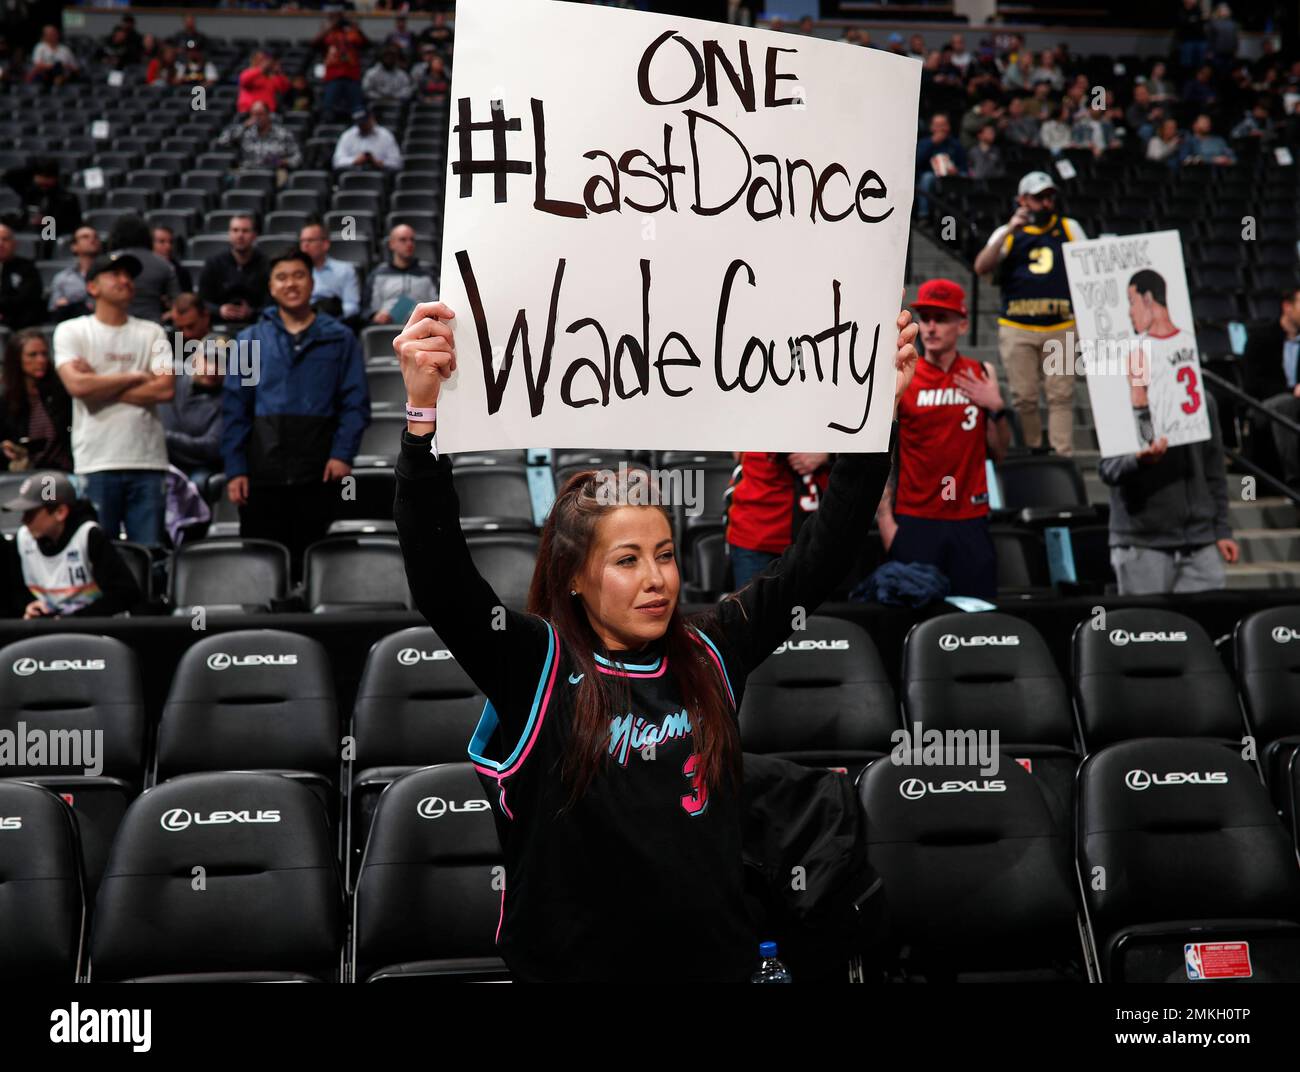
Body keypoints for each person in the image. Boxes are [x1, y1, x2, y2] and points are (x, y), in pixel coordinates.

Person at [390, 297, 917, 981]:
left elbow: (823, 552)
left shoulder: (713, 647)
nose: (656, 580)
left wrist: (877, 416)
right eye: (628, 560)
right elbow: (440, 582)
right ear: (575, 576)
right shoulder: (533, 663)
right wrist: (420, 422)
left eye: (665, 555)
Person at [222, 248, 369, 578]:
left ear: (312, 282)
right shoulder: (248, 341)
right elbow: (235, 410)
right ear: (271, 287)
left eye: (299, 275)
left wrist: (343, 454)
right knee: (262, 566)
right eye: (282, 277)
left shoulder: (340, 338)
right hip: (262, 473)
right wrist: (235, 469)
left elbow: (355, 404)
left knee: (316, 566)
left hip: (320, 472)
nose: (291, 284)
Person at [876, 279, 1009, 600]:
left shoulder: (982, 373)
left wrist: (997, 407)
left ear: (963, 324)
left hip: (969, 519)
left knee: (975, 621)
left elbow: (1000, 453)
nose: (931, 327)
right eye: (927, 318)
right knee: (915, 624)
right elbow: (885, 453)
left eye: (942, 318)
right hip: (916, 520)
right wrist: (885, 520)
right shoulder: (905, 374)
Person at [52, 252, 174, 545]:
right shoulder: (72, 330)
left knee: (150, 555)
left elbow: (165, 390)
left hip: (147, 460)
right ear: (92, 287)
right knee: (98, 555)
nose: (124, 281)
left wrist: (99, 383)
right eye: (114, 274)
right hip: (96, 460)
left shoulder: (153, 332)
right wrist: (134, 376)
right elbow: (78, 386)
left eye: (128, 276)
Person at [973, 171, 1087, 456]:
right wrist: (1010, 229)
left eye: (1049, 197)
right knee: (1024, 397)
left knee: (1061, 396)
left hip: (1061, 325)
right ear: (1022, 200)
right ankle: (1034, 451)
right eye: (1038, 198)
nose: (1046, 203)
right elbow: (981, 267)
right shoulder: (1007, 232)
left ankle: (1064, 456)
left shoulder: (1070, 227)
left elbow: (1088, 269)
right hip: (1017, 325)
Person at [1099, 393, 1238, 595]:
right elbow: (1108, 469)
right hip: (1143, 543)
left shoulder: (1202, 400)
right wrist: (1138, 461)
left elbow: (1214, 471)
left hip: (1199, 543)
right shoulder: (1117, 399)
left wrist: (1222, 529)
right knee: (1147, 625)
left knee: (1206, 625)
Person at [2, 470, 142, 620]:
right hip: (44, 629)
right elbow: (14, 591)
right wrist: (29, 605)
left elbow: (124, 594)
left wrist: (73, 619)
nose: (24, 520)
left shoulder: (89, 536)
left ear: (60, 512)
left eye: (31, 513)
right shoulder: (23, 539)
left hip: (92, 630)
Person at [725, 451, 830, 589]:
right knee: (753, 608)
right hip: (757, 535)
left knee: (813, 608)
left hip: (814, 533)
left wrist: (828, 454)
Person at [159, 294, 226, 490]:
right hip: (162, 462)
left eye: (221, 363)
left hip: (200, 467)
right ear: (195, 359)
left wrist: (166, 437)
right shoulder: (171, 377)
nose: (212, 369)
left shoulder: (227, 397)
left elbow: (211, 447)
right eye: (208, 360)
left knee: (195, 484)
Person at [1242, 287, 1300, 488]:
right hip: (1263, 406)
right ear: (1287, 306)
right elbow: (1253, 384)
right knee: (1284, 405)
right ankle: (1294, 482)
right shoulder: (1261, 338)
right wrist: (1291, 391)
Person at [1, 329, 73, 472]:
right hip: (24, 473)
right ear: (17, 359)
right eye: (32, 355)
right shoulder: (5, 398)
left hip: (61, 472)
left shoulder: (61, 391)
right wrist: (5, 447)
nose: (41, 360)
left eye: (44, 354)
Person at [106, 214, 180, 325]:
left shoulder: (108, 262)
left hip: (115, 324)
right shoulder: (164, 264)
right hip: (153, 325)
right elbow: (178, 303)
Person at [198, 214, 269, 328]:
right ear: (229, 234)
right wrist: (220, 310)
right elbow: (202, 301)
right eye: (235, 230)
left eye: (245, 231)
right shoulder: (213, 263)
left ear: (254, 235)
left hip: (257, 325)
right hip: (219, 325)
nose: (240, 235)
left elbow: (272, 304)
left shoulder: (266, 264)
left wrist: (252, 312)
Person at [364, 225, 437, 324]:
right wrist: (375, 316)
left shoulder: (428, 275)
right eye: (403, 240)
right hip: (387, 329)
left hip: (421, 329)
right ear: (391, 244)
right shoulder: (378, 274)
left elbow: (437, 304)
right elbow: (366, 310)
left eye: (412, 240)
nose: (409, 244)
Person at [2, 156, 81, 236]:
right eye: (41, 176)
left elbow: (74, 226)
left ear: (55, 178)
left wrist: (47, 221)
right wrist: (32, 169)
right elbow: (8, 176)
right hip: (29, 235)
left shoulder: (67, 198)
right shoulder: (30, 192)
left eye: (48, 177)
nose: (44, 181)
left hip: (53, 237)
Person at [216, 100, 303, 172]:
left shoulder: (282, 133)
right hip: (247, 171)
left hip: (273, 172)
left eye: (260, 114)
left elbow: (297, 157)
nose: (257, 118)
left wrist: (284, 162)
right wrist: (243, 126)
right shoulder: (245, 132)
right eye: (254, 114)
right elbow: (222, 142)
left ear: (268, 115)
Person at [299, 220, 360, 322]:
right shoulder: (295, 273)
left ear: (325, 244)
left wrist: (330, 313)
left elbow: (352, 306)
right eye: (302, 241)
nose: (305, 245)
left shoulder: (345, 270)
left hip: (335, 321)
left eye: (310, 240)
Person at [313, 12, 368, 122]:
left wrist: (354, 26)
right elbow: (314, 44)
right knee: (328, 108)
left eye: (340, 18)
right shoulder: (329, 33)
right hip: (333, 76)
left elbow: (366, 44)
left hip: (351, 76)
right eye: (335, 18)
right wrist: (331, 26)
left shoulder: (352, 33)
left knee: (357, 109)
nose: (339, 21)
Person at [914, 113, 966, 219]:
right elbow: (916, 163)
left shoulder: (955, 144)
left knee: (964, 176)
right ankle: (924, 214)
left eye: (943, 125)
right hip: (931, 176)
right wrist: (932, 143)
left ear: (948, 126)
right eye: (938, 125)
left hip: (950, 176)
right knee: (927, 178)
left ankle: (964, 213)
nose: (941, 129)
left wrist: (956, 170)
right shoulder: (924, 142)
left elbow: (963, 166)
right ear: (931, 127)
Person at [48, 224, 101, 322]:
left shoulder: (108, 276)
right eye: (85, 237)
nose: (92, 240)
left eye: (95, 237)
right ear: (74, 246)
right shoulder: (62, 278)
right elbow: (55, 308)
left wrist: (71, 303)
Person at [0, 223, 43, 332]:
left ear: (14, 244)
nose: (1, 244)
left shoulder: (27, 268)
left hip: (19, 326)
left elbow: (27, 298)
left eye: (5, 239)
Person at [332, 108, 403, 172]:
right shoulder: (347, 136)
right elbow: (337, 162)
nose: (362, 126)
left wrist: (379, 163)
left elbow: (397, 163)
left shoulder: (386, 136)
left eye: (364, 122)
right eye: (360, 123)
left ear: (371, 119)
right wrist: (355, 161)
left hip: (380, 174)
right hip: (354, 174)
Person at [151, 225, 192, 294]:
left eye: (171, 242)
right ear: (150, 244)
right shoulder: (144, 271)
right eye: (162, 242)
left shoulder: (182, 273)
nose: (168, 247)